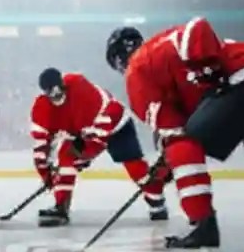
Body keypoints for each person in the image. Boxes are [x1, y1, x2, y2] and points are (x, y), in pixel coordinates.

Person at [105, 18, 244, 252]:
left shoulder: (137, 69)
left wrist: (210, 74)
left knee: (180, 145)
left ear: (119, 60)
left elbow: (197, 27)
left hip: (237, 81)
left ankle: (203, 227)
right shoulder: (161, 54)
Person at [28, 67, 168, 227]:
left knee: (136, 168)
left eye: (60, 93)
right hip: (83, 132)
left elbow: (102, 132)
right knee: (66, 156)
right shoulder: (41, 110)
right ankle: (61, 206)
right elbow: (40, 149)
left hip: (116, 125)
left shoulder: (81, 88)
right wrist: (47, 176)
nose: (57, 98)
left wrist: (85, 155)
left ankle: (157, 203)